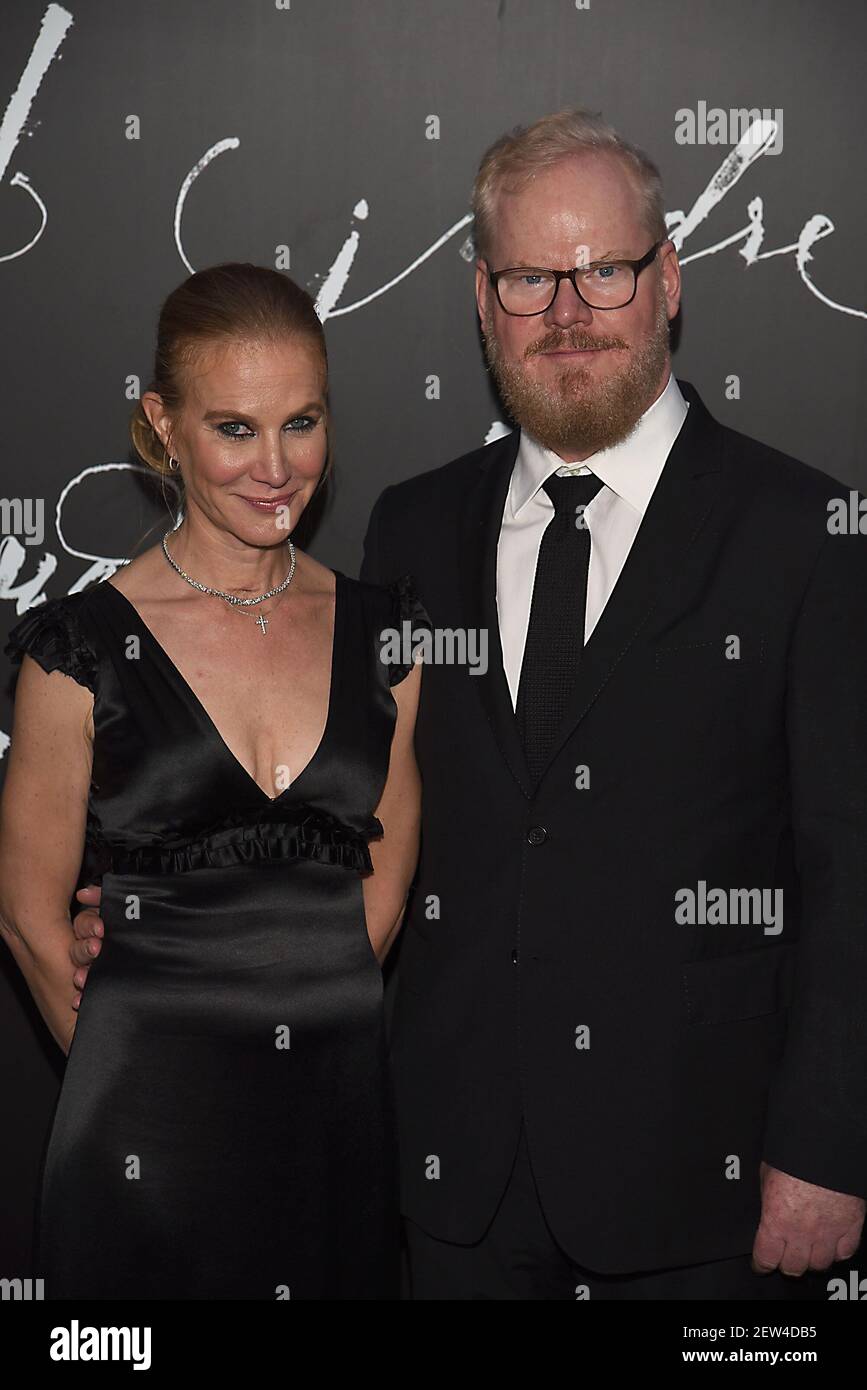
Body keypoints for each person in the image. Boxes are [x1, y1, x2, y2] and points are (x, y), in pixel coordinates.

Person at [69, 108, 867, 1302]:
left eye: (604, 270)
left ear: (671, 282)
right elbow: (353, 825)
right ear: (481, 297)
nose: (568, 310)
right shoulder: (415, 527)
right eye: (529, 277)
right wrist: (170, 938)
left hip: (707, 1195)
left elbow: (851, 864)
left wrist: (827, 1148)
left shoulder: (802, 532)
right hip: (450, 1192)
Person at [0, 262, 426, 1300]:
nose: (276, 467)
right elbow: (26, 908)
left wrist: (288, 1042)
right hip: (142, 1133)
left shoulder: (387, 636)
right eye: (234, 427)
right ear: (165, 425)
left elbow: (382, 893)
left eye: (303, 421)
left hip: (333, 1121)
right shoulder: (80, 649)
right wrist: (144, 1059)